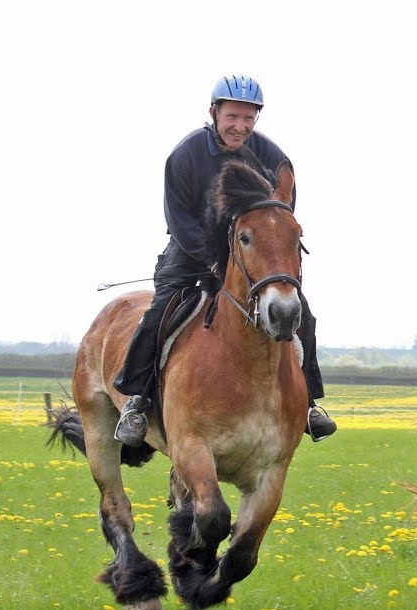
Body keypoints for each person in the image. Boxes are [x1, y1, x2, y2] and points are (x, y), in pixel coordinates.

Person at [113, 73, 337, 445]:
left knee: (302, 315)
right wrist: (215, 260)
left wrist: (261, 259)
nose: (240, 126)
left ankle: (309, 404)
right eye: (232, 116)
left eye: (248, 118)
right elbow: (179, 219)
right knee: (160, 313)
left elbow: (279, 218)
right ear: (214, 112)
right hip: (189, 255)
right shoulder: (185, 156)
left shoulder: (272, 157)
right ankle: (136, 400)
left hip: (249, 259)